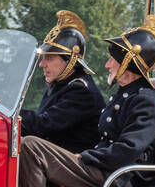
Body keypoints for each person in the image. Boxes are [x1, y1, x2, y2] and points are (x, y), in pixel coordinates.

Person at [15, 16, 155, 187]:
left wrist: (86, 156)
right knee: (25, 147)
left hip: (119, 175)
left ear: (129, 64)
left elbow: (127, 151)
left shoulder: (147, 101)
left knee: (31, 147)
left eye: (114, 60)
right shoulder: (125, 95)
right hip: (104, 167)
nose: (107, 64)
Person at [19, 10, 105, 153]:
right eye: (43, 58)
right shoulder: (61, 85)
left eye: (49, 58)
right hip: (54, 162)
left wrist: (11, 116)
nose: (42, 64)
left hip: (76, 167)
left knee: (28, 144)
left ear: (70, 60)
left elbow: (42, 126)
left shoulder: (80, 91)